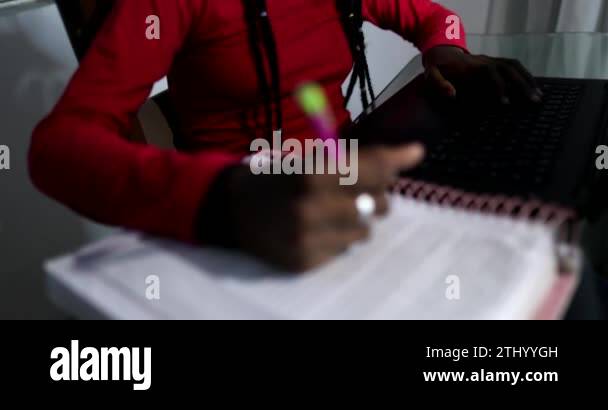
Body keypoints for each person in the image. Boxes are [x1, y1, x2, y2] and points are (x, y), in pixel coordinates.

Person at [30, 0, 541, 271]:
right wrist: (218, 200)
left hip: (356, 192)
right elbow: (60, 145)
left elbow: (438, 17)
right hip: (257, 220)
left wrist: (445, 51)